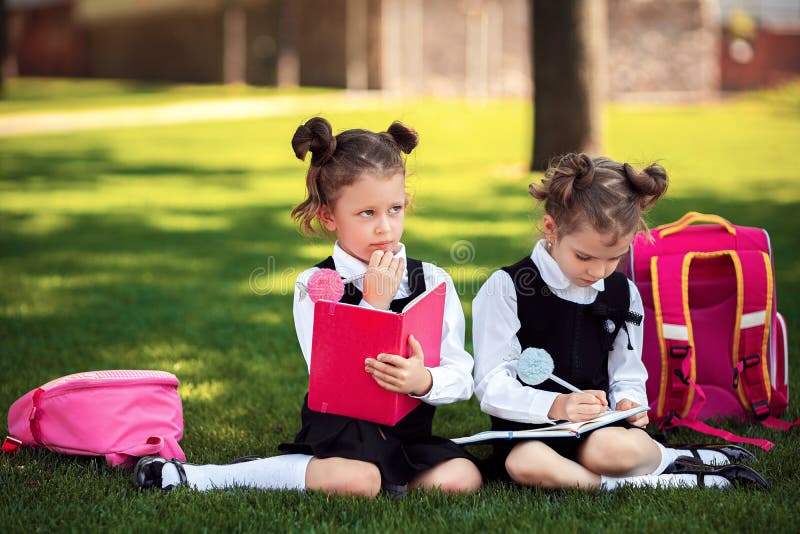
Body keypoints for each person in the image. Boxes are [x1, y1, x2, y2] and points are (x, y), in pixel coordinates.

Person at [133, 117, 482, 497]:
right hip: (342, 432)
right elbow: (332, 374)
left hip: (405, 434)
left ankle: (381, 476)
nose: (385, 227)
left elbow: (461, 375)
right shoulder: (316, 286)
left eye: (394, 209)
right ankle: (217, 476)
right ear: (329, 217)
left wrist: (425, 381)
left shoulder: (433, 280)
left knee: (462, 477)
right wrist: (373, 303)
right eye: (367, 213)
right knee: (359, 481)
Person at [471, 153, 769, 490]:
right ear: (551, 228)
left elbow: (626, 372)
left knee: (613, 451)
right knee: (523, 463)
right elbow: (492, 384)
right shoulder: (507, 287)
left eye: (614, 258)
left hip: (599, 433)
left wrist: (628, 402)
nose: (598, 271)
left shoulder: (622, 292)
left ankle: (669, 457)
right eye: (584, 256)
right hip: (531, 433)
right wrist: (557, 404)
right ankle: (659, 481)